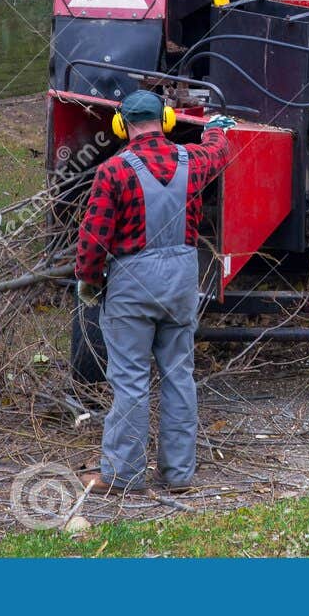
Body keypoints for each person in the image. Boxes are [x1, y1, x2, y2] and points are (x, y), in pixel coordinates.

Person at [73, 90, 237, 493]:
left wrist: (89, 280)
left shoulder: (112, 171)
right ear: (165, 120)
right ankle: (179, 474)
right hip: (181, 284)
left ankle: (123, 475)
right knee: (179, 375)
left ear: (122, 125)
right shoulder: (193, 160)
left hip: (132, 288)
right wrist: (216, 128)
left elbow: (94, 238)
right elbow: (217, 151)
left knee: (130, 380)